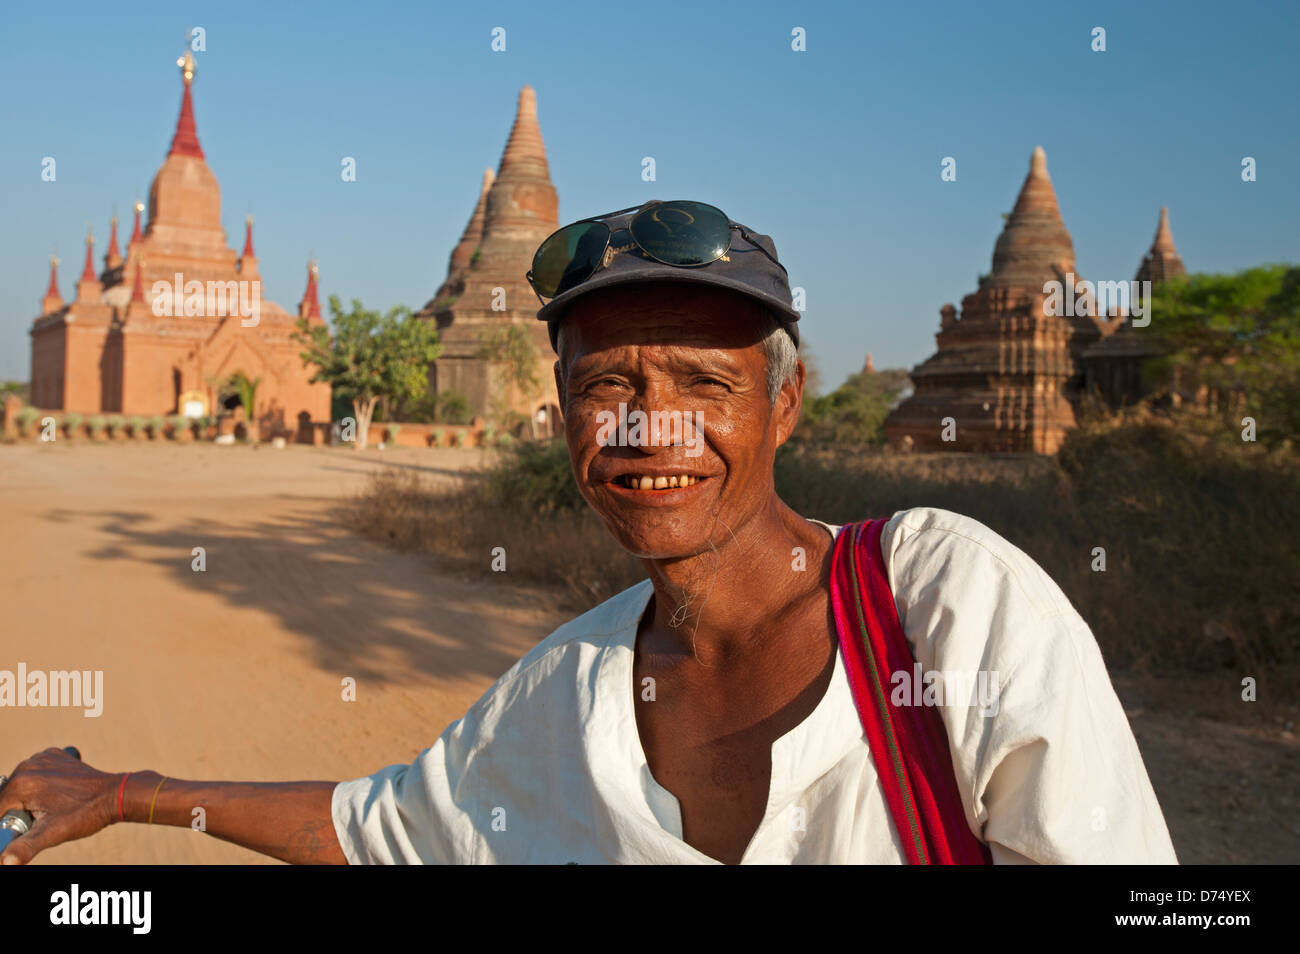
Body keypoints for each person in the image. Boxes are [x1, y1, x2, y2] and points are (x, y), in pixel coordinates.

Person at [0, 200, 1177, 865]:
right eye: (605, 385)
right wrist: (126, 793)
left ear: (785, 402)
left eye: (701, 383)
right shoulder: (567, 689)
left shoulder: (947, 603)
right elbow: (384, 829)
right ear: (561, 418)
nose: (647, 427)